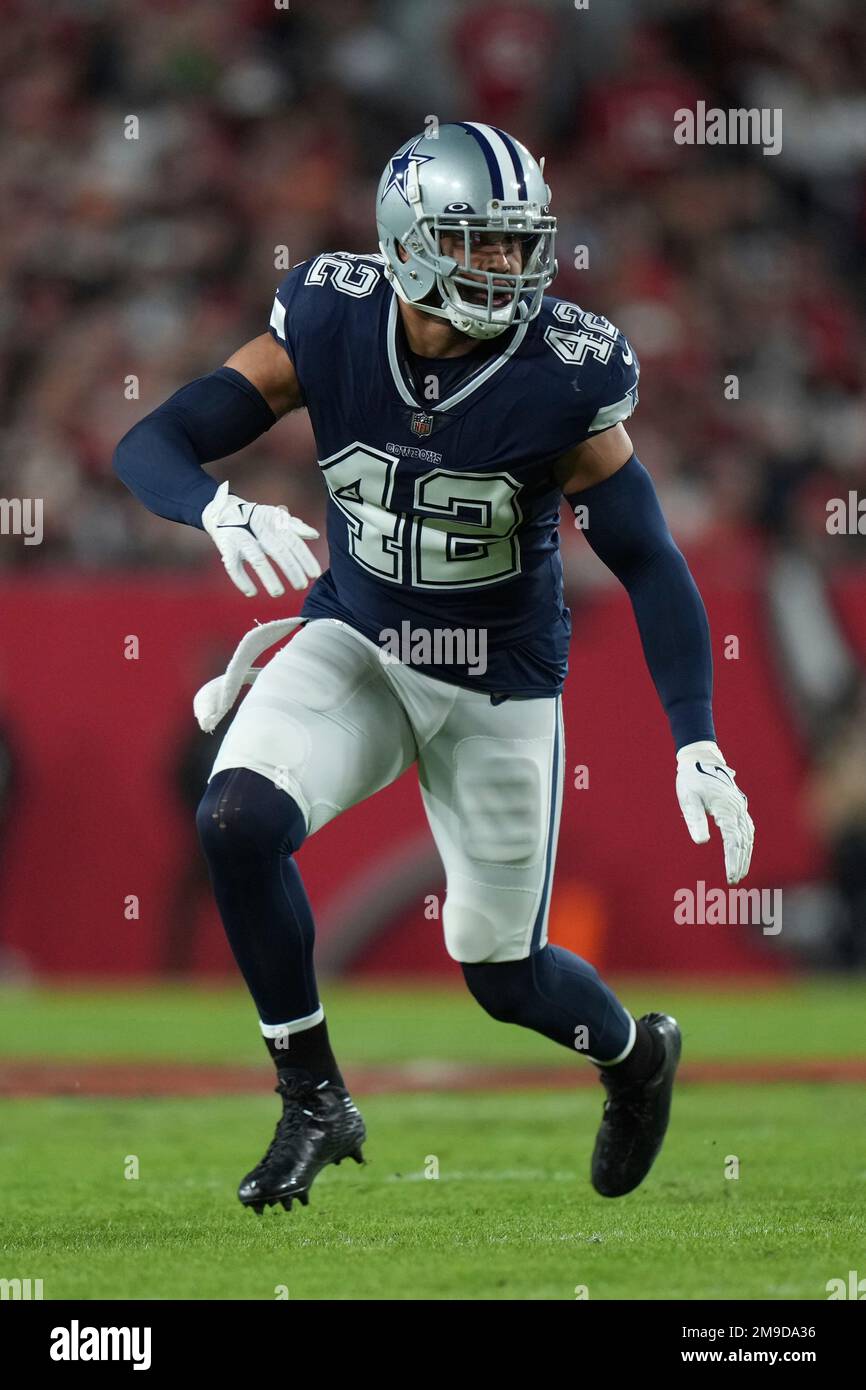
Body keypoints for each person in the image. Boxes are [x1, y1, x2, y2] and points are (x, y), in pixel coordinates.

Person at [114, 122, 754, 1213]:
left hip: (496, 686)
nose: (507, 266)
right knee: (235, 818)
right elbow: (155, 439)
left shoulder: (561, 374)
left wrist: (694, 735)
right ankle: (312, 1095)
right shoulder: (330, 315)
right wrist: (210, 503)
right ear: (409, 239)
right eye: (480, 242)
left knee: (500, 972)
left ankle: (633, 1059)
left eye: (518, 244)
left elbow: (646, 560)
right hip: (359, 641)